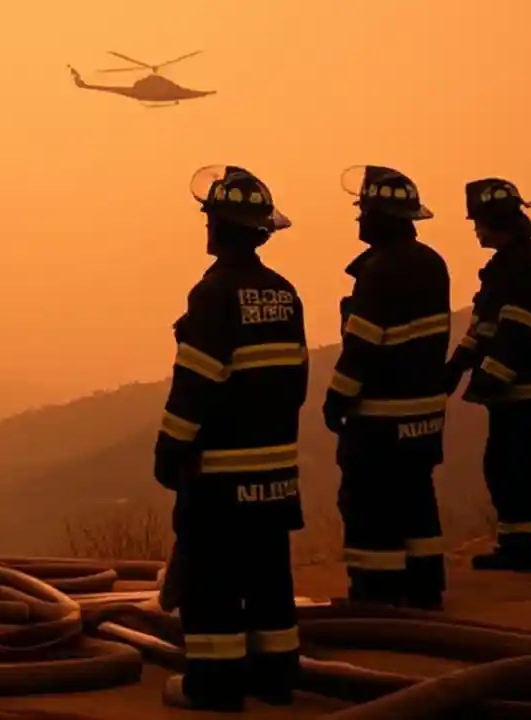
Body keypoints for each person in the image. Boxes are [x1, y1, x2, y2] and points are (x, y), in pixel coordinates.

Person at [154, 165, 308, 711]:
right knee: (269, 577)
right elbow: (295, 383)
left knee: (212, 583)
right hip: (275, 473)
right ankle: (274, 678)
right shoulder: (285, 294)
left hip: (219, 475)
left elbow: (193, 386)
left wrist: (170, 451)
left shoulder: (212, 293)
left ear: (218, 226)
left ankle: (214, 687)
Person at [322, 165, 452, 610]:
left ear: (382, 217)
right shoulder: (432, 263)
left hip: (379, 416)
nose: (359, 219)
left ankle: (375, 593)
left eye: (364, 210)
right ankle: (424, 586)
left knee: (368, 503)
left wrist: (335, 398)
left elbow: (362, 346)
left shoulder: (378, 272)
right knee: (417, 498)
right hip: (425, 413)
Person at [445, 178, 531, 572]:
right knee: (504, 462)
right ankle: (517, 543)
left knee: (518, 463)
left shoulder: (527, 264)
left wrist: (488, 376)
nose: (475, 229)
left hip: (529, 386)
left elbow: (517, 331)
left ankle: (528, 549)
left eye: (479, 222)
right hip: (516, 387)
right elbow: (487, 326)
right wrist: (458, 364)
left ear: (495, 221)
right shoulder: (508, 265)